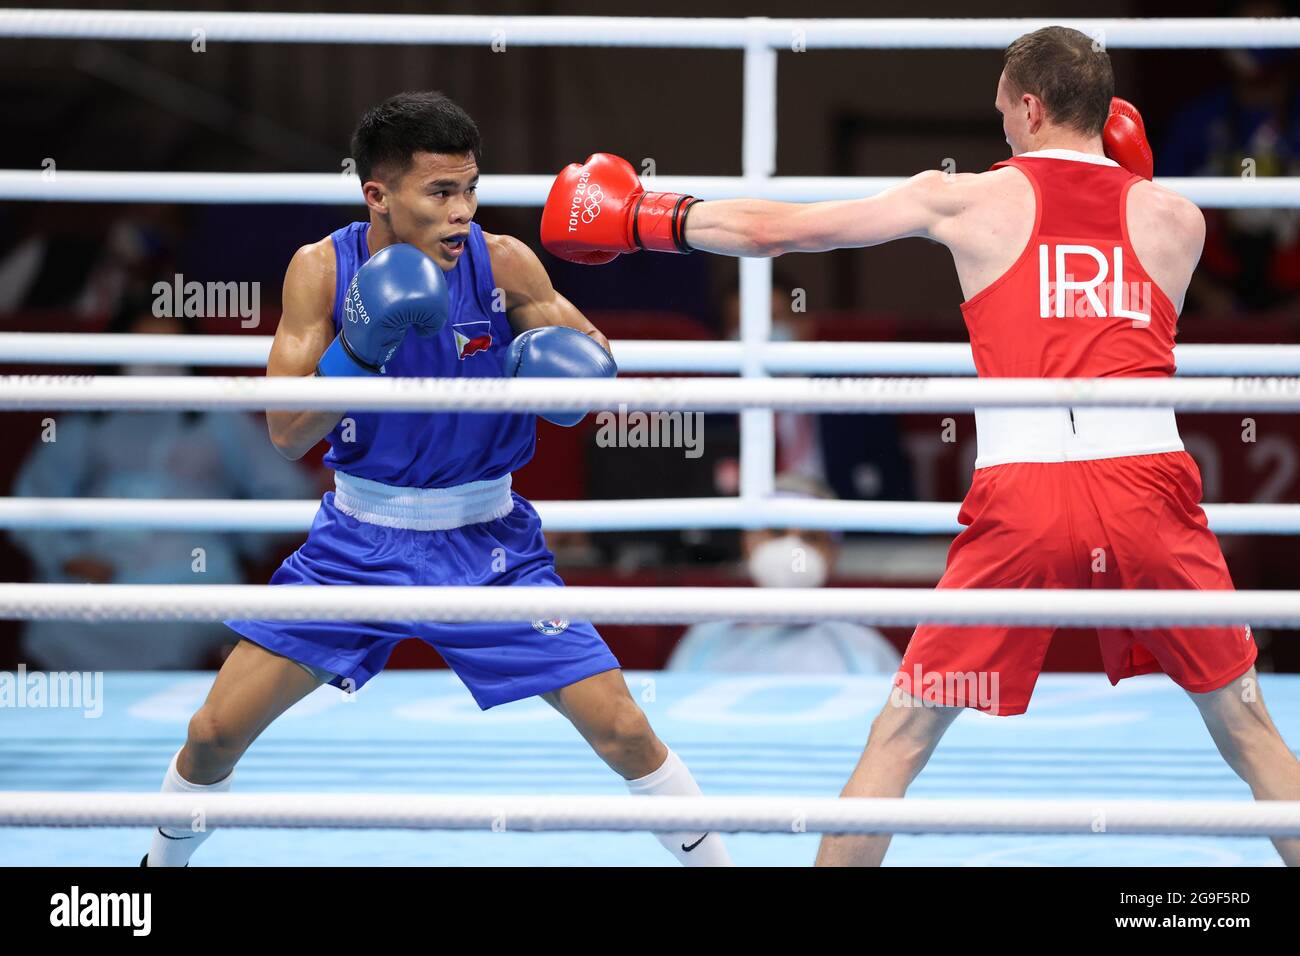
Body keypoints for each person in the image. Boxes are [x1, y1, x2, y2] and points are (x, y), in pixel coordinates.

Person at [540, 26, 1300, 866]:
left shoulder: (967, 198)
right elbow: (1115, 241)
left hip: (1027, 495)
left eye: (1006, 108)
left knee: (900, 738)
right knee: (1246, 726)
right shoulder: (1178, 219)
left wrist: (648, 218)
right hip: (1152, 492)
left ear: (1033, 106)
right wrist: (1129, 174)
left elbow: (775, 231)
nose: (1001, 125)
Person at [142, 92, 732, 867]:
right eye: (441, 193)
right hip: (356, 542)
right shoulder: (320, 270)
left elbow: (596, 364)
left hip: (490, 546)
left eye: (471, 189)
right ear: (378, 196)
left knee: (623, 729)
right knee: (213, 733)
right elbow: (287, 433)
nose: (463, 212)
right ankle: (152, 875)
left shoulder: (505, 261)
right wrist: (359, 348)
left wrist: (571, 367)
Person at [11, 297, 313, 670]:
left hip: (190, 571)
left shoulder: (221, 421)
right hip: (99, 569)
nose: (155, 365)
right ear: (118, 352)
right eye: (144, 350)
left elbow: (285, 490)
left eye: (167, 351)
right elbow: (34, 499)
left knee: (186, 616)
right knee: (58, 620)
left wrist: (234, 537)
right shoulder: (85, 424)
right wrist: (67, 556)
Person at [667, 475, 901, 674]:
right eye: (777, 531)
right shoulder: (704, 641)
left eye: (811, 537)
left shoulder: (862, 649)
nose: (792, 546)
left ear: (833, 553)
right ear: (748, 540)